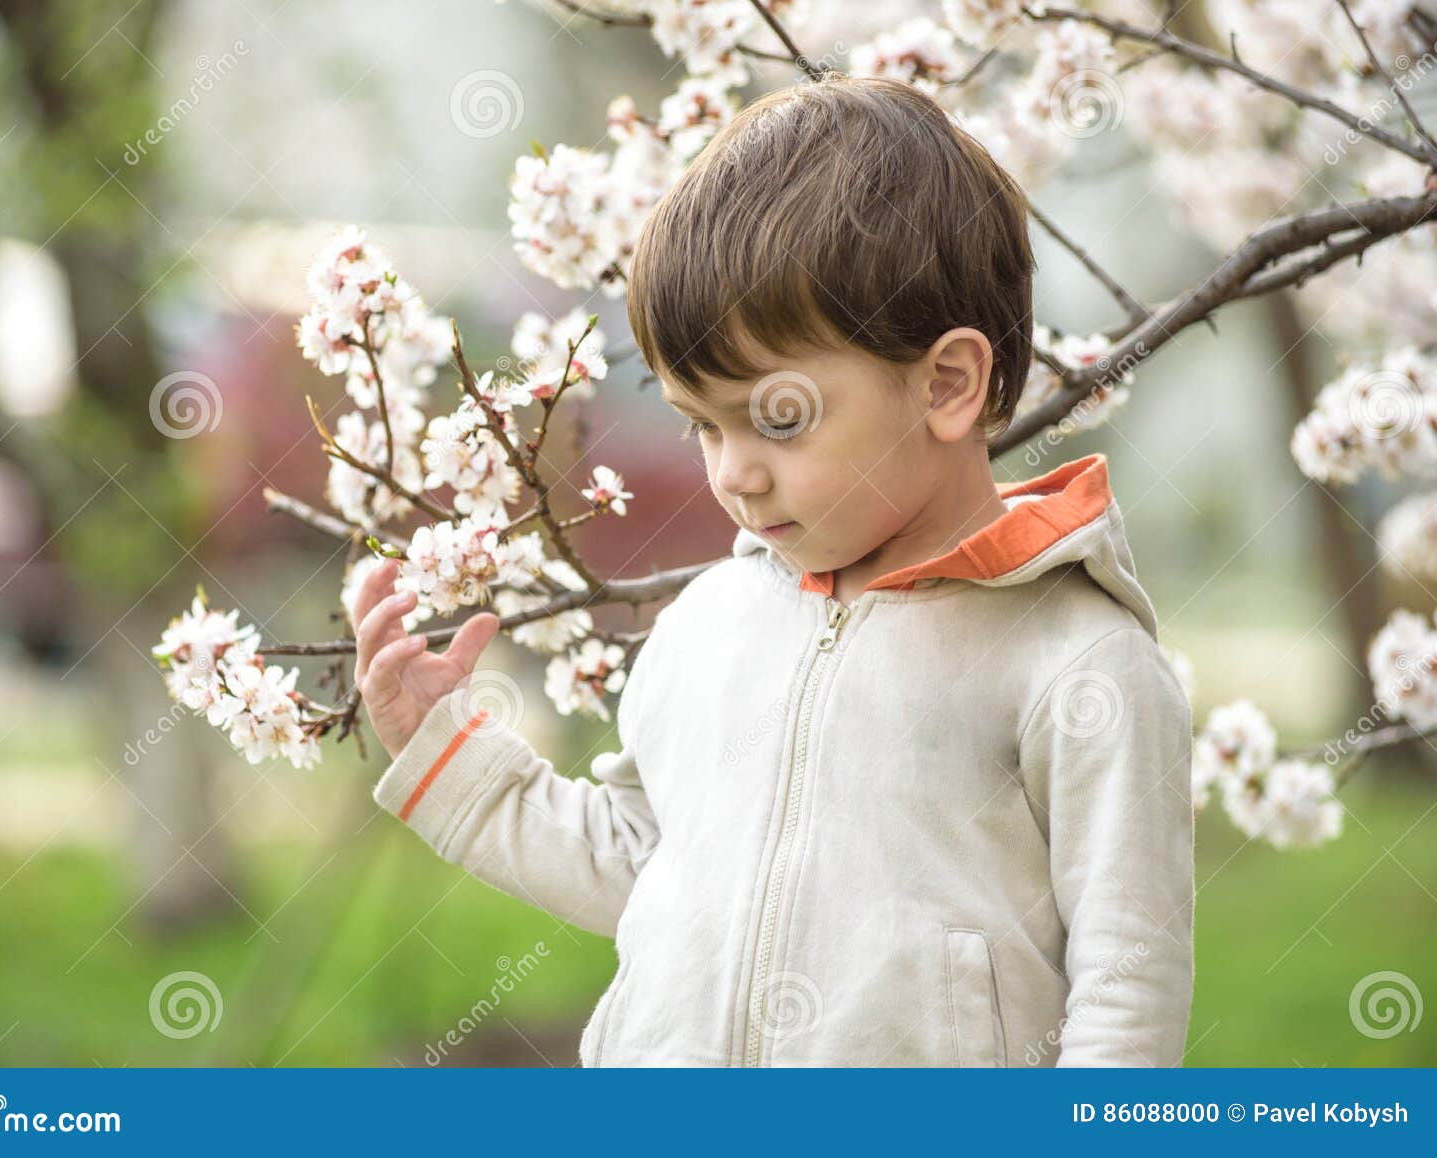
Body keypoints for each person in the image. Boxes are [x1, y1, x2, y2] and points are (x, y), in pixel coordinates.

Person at [350, 75, 1194, 1067]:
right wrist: (445, 753)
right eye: (701, 423)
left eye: (778, 417)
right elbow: (648, 868)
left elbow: (1126, 988)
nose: (734, 473)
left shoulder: (1075, 666)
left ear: (946, 384)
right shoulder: (708, 625)